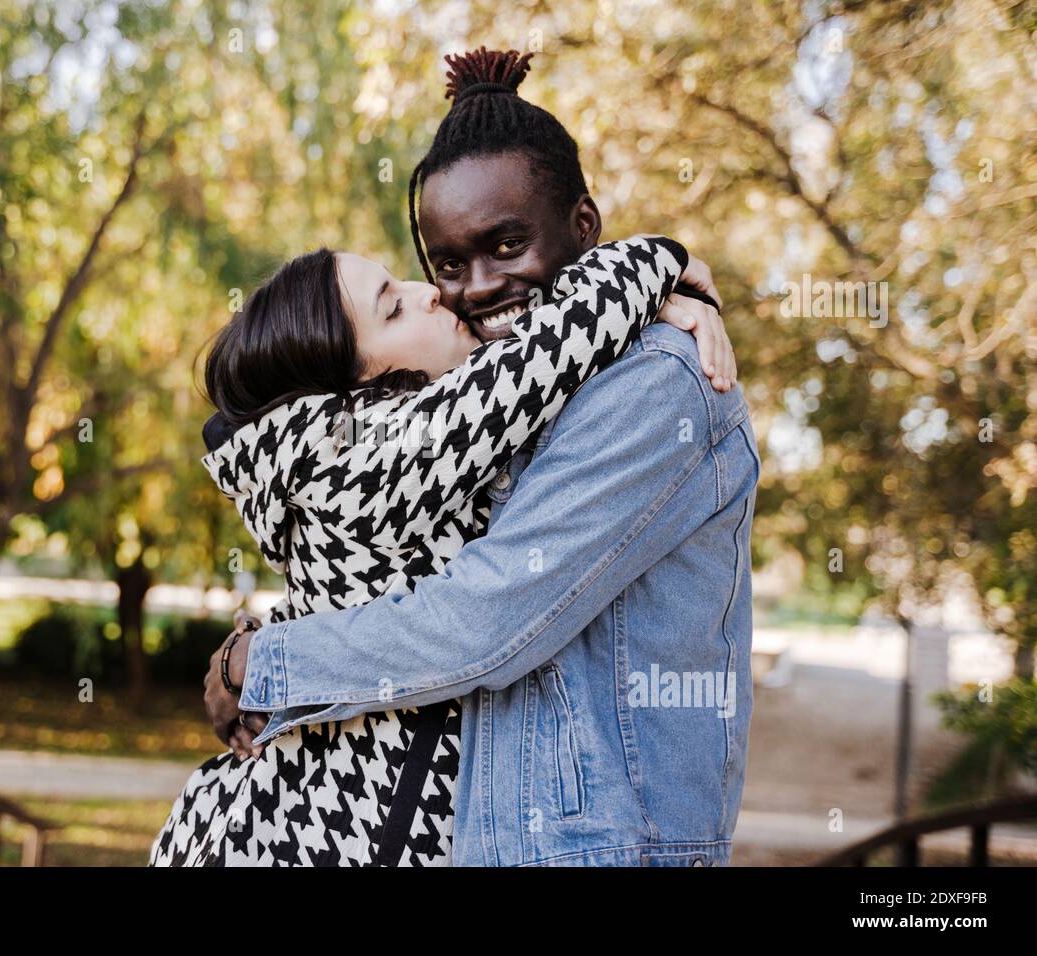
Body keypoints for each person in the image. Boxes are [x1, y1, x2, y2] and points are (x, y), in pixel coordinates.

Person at [203, 48, 760, 867]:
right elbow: (391, 584)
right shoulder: (473, 411)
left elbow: (483, 619)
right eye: (447, 264)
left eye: (506, 245)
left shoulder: (655, 383)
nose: (472, 290)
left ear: (584, 227)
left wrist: (267, 660)